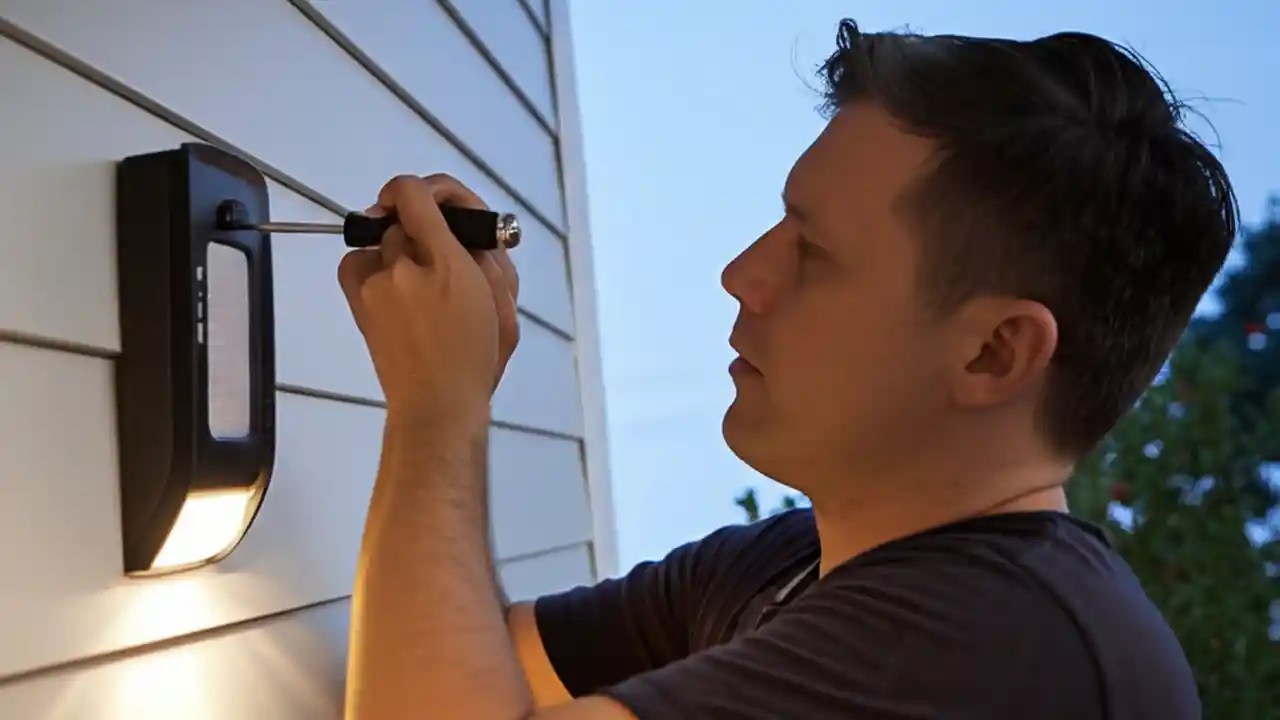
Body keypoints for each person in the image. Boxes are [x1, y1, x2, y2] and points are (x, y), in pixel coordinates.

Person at [336, 19, 1236, 720]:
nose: (743, 275)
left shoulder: (1009, 648)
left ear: (993, 352)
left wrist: (436, 411)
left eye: (812, 251)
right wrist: (457, 380)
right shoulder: (791, 564)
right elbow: (445, 664)